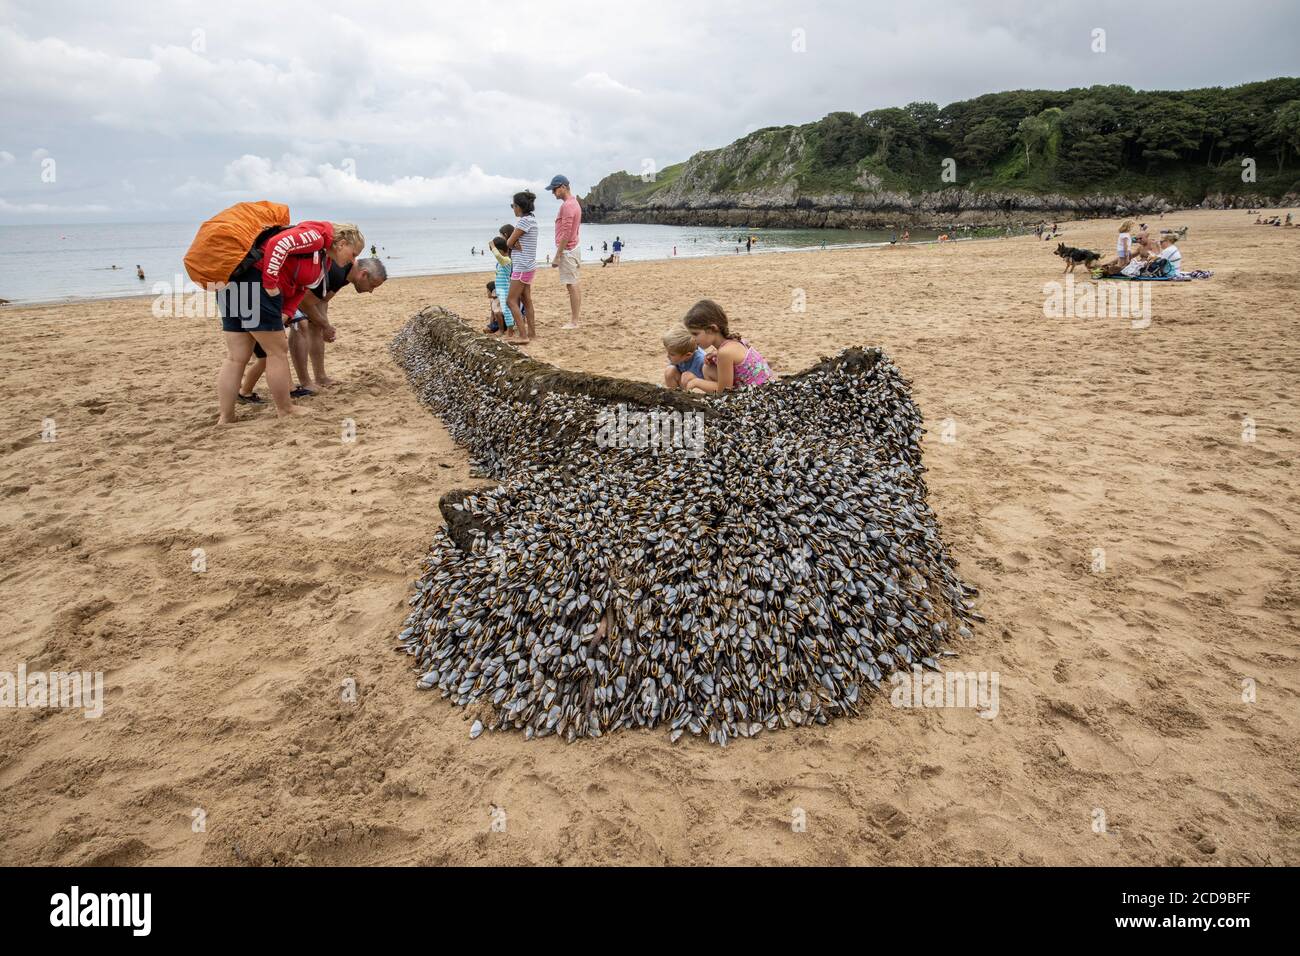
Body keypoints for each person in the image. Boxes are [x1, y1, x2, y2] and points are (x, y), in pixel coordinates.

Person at [215, 221, 364, 423]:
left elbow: (302, 288)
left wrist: (286, 311)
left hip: (233, 285)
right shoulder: (316, 237)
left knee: (237, 356)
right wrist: (269, 283)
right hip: (253, 283)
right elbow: (278, 244)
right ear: (342, 243)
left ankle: (226, 417)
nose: (353, 260)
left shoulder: (322, 260)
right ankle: (285, 409)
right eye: (353, 253)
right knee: (276, 351)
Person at [239, 256, 387, 400]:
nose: (371, 291)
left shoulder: (346, 272)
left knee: (311, 326)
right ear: (363, 274)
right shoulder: (337, 271)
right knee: (299, 325)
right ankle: (304, 383)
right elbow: (303, 301)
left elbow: (321, 300)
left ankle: (320, 377)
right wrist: (325, 325)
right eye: (372, 285)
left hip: (271, 289)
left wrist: (323, 325)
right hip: (269, 288)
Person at [679, 299, 774, 392]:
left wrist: (696, 382)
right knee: (707, 368)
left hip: (759, 396)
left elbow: (724, 391)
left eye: (695, 334)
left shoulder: (724, 353)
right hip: (768, 389)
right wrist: (716, 354)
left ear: (712, 329)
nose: (692, 339)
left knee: (710, 378)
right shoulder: (734, 341)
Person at [547, 174, 582, 329]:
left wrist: (557, 255)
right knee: (573, 283)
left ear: (563, 187)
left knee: (571, 284)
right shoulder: (574, 203)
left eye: (554, 190)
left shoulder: (568, 205)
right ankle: (575, 319)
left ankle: (574, 321)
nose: (553, 193)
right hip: (573, 247)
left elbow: (566, 233)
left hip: (568, 250)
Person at [505, 191, 538, 344]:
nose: (513, 209)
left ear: (519, 206)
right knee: (526, 300)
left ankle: (523, 336)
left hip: (521, 266)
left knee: (511, 300)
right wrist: (516, 243)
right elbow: (514, 242)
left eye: (513, 206)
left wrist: (514, 243)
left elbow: (508, 243)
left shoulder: (523, 221)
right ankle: (531, 333)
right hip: (529, 265)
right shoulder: (532, 220)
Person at [489, 235, 519, 341]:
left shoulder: (506, 260)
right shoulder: (500, 262)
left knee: (506, 311)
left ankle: (510, 330)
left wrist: (492, 246)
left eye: (496, 251)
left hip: (505, 289)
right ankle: (505, 329)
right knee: (504, 310)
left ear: (500, 251)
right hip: (500, 290)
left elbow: (498, 256)